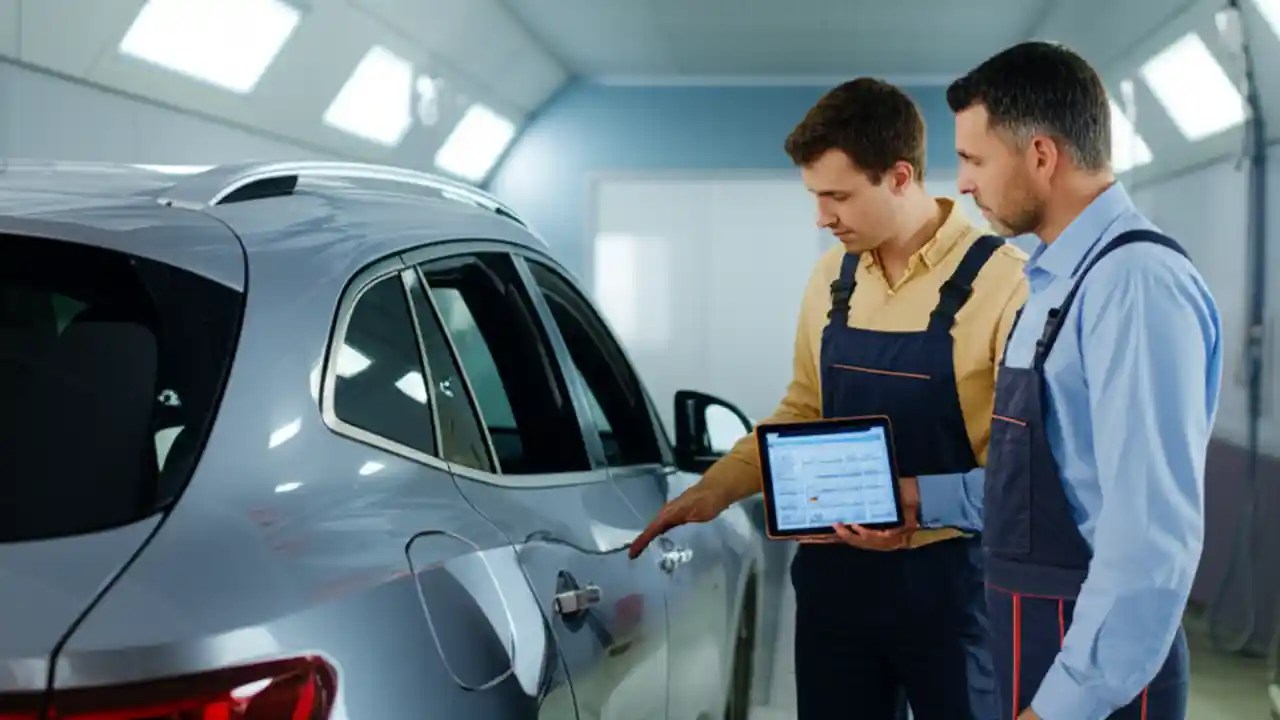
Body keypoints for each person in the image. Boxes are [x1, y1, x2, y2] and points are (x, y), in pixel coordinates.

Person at [629, 77, 1029, 720]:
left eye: (838, 196)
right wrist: (717, 489)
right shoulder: (831, 278)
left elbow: (1024, 471)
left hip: (952, 585)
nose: (822, 216)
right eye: (815, 196)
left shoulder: (1005, 284)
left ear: (899, 177)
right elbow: (802, 409)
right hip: (835, 579)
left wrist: (917, 504)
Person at [945, 42, 1223, 719]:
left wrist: (1063, 706)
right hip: (1039, 645)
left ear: (1041, 155)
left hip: (1098, 682)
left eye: (975, 160)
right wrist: (920, 499)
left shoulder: (1133, 285)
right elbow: (1051, 487)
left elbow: (1147, 539)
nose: (963, 183)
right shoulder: (1054, 281)